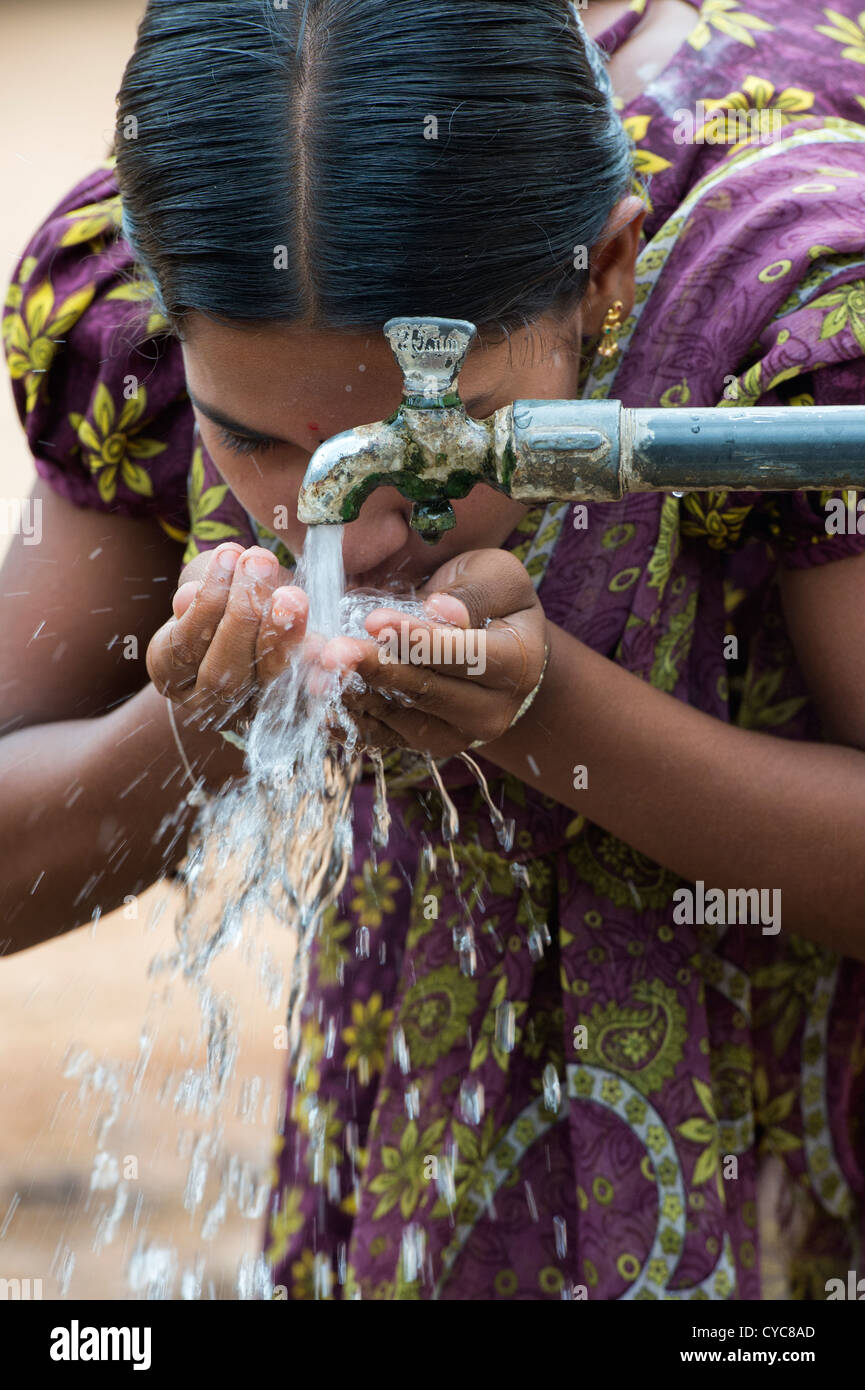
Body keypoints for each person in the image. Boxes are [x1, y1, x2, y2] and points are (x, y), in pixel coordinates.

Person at [5, 0, 865, 1301]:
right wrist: (202, 727)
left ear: (607, 277)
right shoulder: (168, 327)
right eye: (259, 443)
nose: (333, 529)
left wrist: (545, 718)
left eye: (436, 446)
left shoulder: (796, 330)